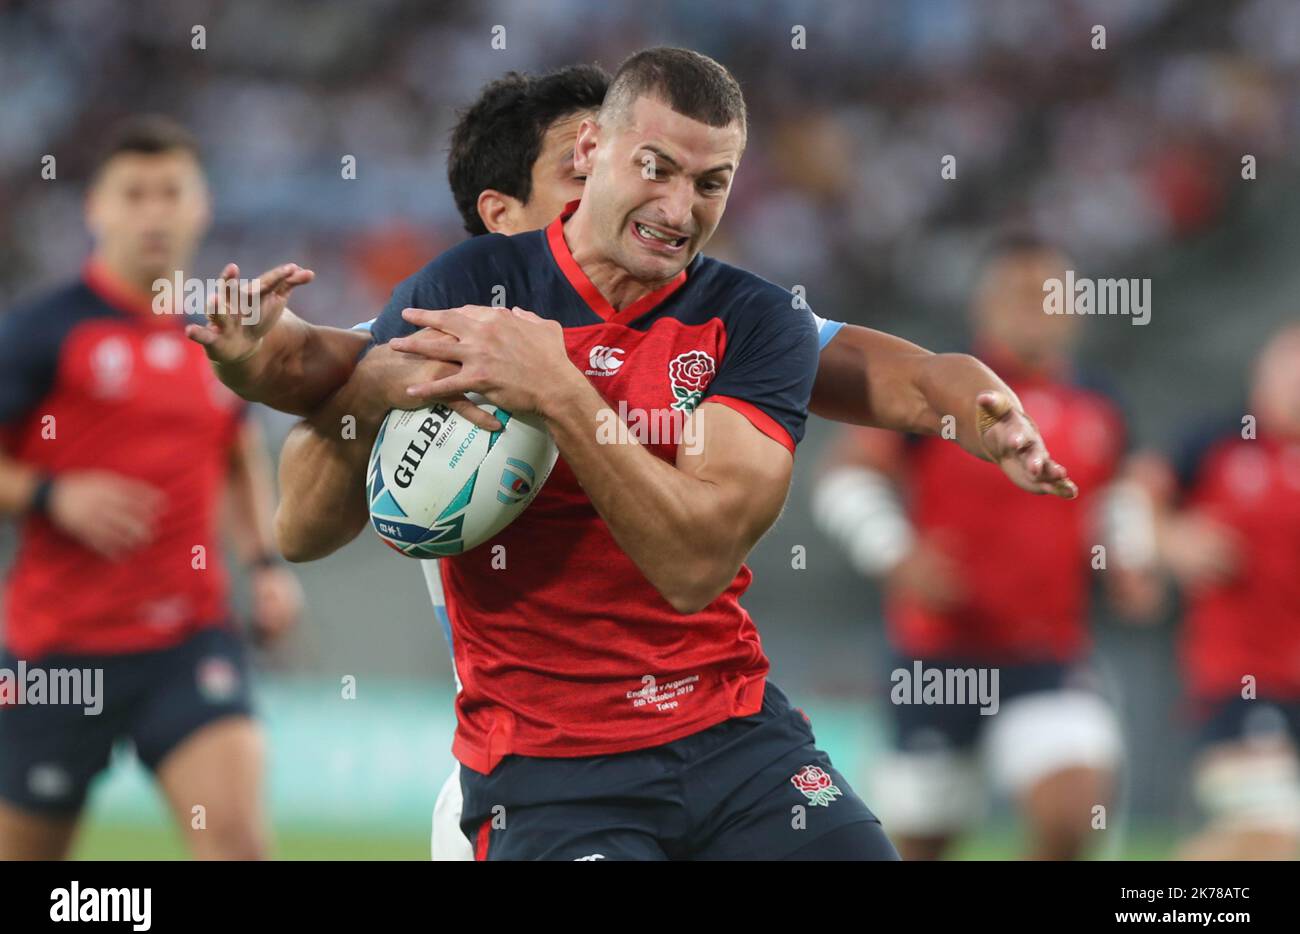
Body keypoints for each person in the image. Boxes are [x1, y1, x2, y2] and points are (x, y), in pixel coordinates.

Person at [194, 50, 1075, 860]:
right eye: (646, 167)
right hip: (545, 759)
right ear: (585, 160)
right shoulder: (458, 304)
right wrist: (344, 375)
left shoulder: (744, 316)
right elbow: (306, 463)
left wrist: (978, 407)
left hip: (732, 736)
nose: (680, 208)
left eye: (712, 181)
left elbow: (877, 390)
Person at [0, 116, 302, 860]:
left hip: (186, 641)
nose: (154, 211)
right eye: (134, 193)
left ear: (201, 207)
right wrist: (50, 494)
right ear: (95, 209)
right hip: (55, 655)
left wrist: (263, 566)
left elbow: (235, 448)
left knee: (237, 847)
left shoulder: (212, 333)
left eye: (172, 192)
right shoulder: (44, 331)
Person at [813, 235, 1135, 860]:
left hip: (1047, 655)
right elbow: (846, 476)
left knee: (1073, 813)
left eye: (1050, 295)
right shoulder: (949, 389)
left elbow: (1116, 499)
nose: (1035, 309)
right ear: (984, 306)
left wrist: (1129, 556)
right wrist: (895, 554)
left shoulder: (1099, 405)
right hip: (938, 657)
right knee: (919, 844)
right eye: (1019, 295)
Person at [1133, 324, 1300, 860]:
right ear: (1262, 376)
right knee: (1271, 836)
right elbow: (1132, 497)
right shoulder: (1214, 442)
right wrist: (1169, 540)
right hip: (1239, 683)